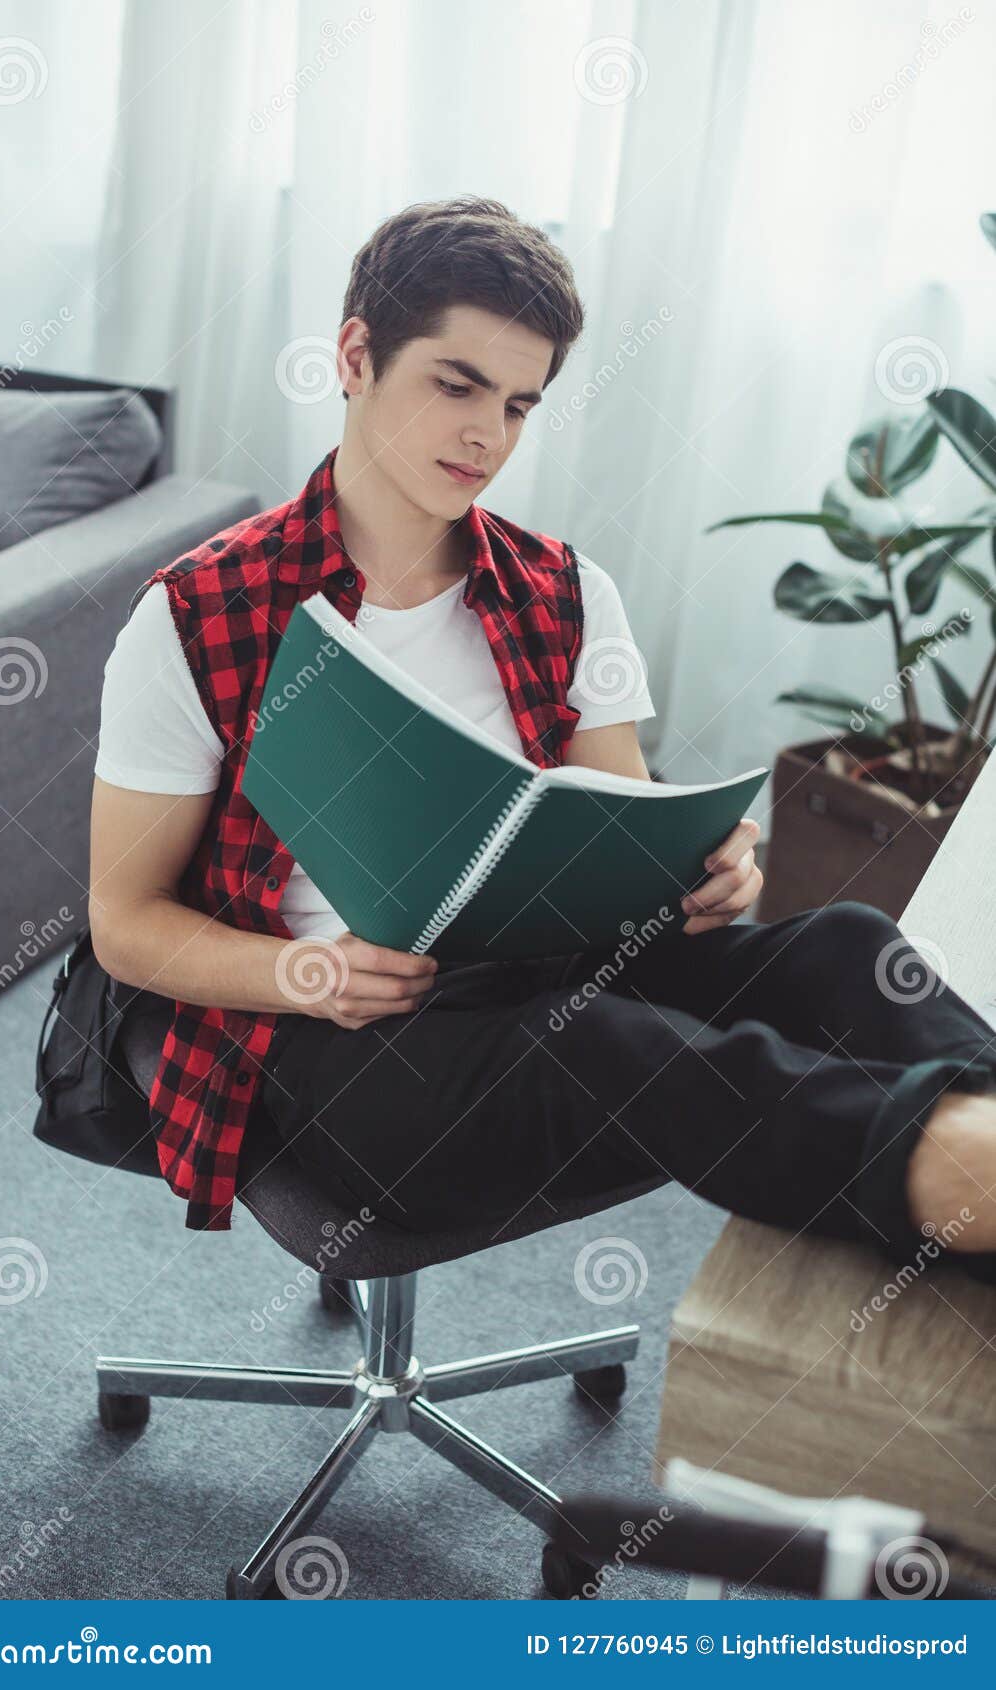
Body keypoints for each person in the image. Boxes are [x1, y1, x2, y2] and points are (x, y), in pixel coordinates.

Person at [89, 195, 996, 1286]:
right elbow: (124, 924)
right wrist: (307, 968)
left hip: (541, 971)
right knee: (614, 1049)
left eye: (520, 404)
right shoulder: (200, 613)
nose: (488, 434)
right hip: (336, 1041)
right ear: (356, 356)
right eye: (457, 385)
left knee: (847, 946)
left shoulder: (562, 590)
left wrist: (706, 870)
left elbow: (621, 841)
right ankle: (947, 1177)